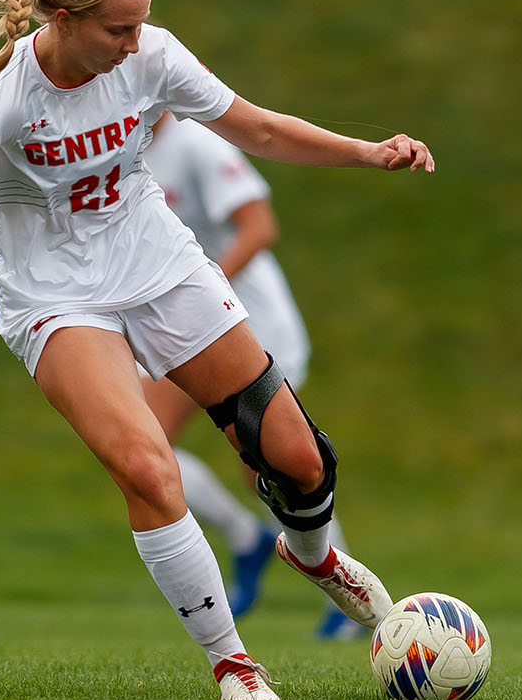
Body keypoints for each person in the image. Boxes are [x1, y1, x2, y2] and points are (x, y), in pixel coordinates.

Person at [0, 0, 433, 700]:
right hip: (56, 300)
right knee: (144, 466)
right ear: (62, 19)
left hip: (161, 266)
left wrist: (368, 151)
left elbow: (259, 129)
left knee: (298, 461)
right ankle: (234, 666)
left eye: (141, 23)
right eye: (118, 29)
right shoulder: (0, 103)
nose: (135, 43)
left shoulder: (153, 55)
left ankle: (315, 557)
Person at [141, 112, 364, 640]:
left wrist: (202, 285)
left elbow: (260, 226)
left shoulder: (196, 143)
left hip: (251, 320)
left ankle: (346, 595)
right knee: (142, 448)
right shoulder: (124, 146)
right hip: (189, 324)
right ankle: (246, 536)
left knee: (278, 463)